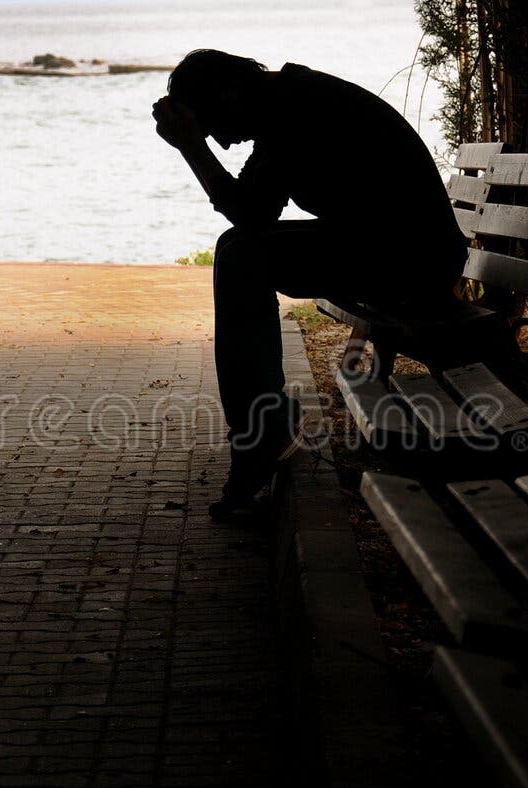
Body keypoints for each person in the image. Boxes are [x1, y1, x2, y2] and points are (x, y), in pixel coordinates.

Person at [152, 49, 465, 521]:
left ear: (230, 95)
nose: (222, 141)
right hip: (399, 250)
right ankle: (265, 425)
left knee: (241, 256)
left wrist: (191, 148)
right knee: (237, 249)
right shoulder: (286, 102)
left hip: (415, 264)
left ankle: (260, 437)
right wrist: (194, 142)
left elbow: (250, 212)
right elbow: (251, 211)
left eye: (213, 126)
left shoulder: (292, 110)